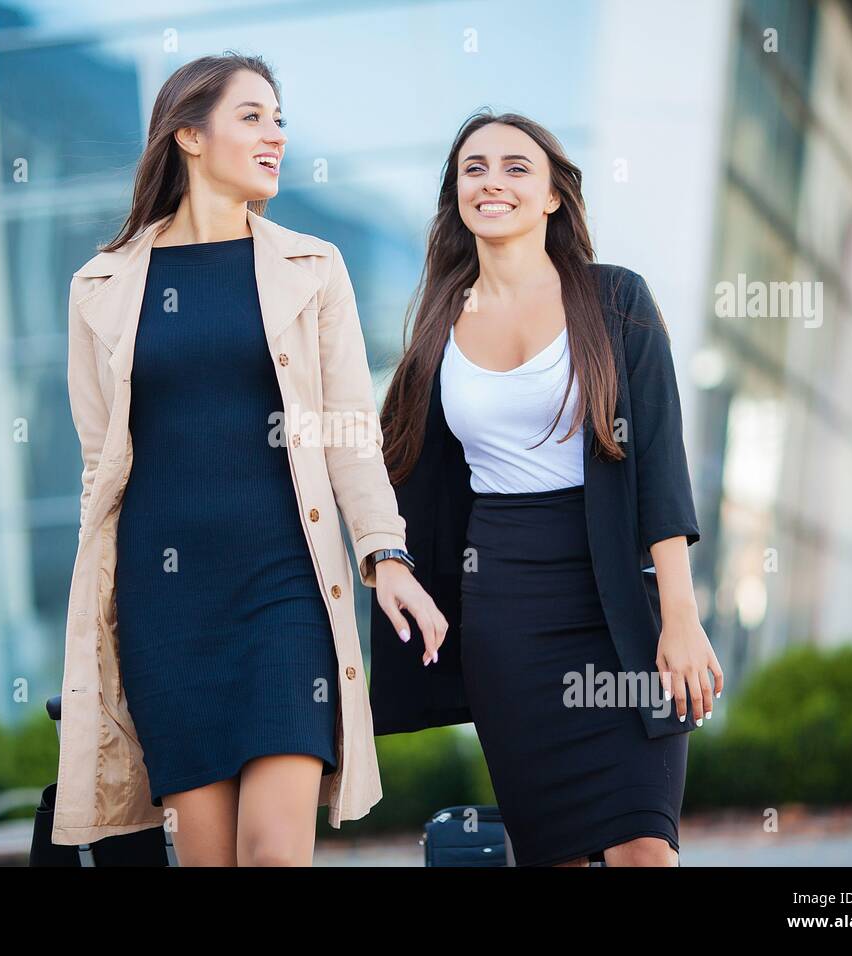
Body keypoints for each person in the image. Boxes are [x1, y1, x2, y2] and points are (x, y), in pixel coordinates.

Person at [54, 52, 446, 866]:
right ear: (189, 136)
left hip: (282, 591)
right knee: (208, 859)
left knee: (273, 854)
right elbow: (101, 464)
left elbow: (347, 431)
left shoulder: (311, 269)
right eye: (253, 116)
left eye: (280, 119)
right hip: (166, 605)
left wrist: (387, 552)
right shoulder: (102, 286)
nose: (277, 134)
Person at [369, 110, 724, 867]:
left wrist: (680, 616)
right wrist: (385, 562)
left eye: (516, 167)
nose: (492, 181)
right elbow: (392, 467)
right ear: (456, 194)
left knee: (645, 850)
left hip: (619, 611)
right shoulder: (437, 327)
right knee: (552, 853)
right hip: (504, 617)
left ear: (556, 195)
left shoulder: (617, 299)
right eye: (474, 168)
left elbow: (659, 461)